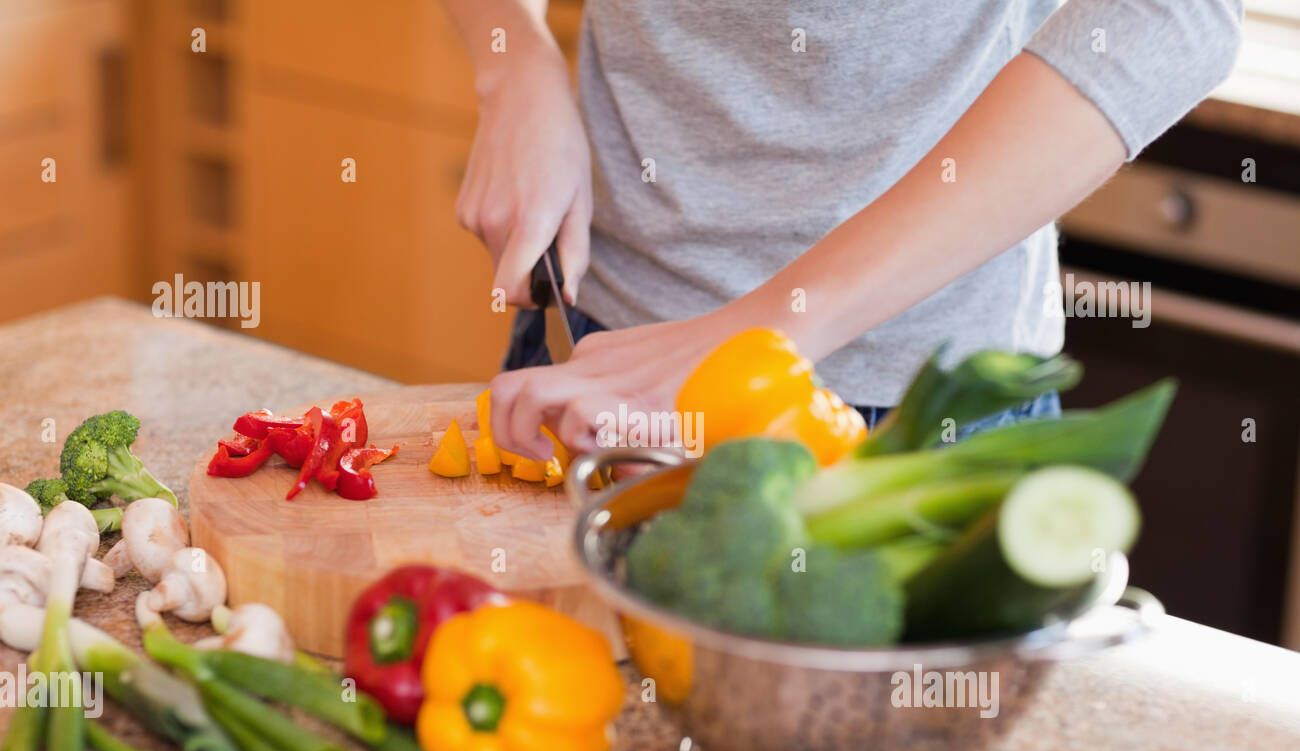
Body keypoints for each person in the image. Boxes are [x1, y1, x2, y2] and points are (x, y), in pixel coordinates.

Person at [441, 0, 1242, 461]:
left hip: (926, 413)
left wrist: (764, 332)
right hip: (602, 357)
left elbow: (1172, 13)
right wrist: (512, 63)